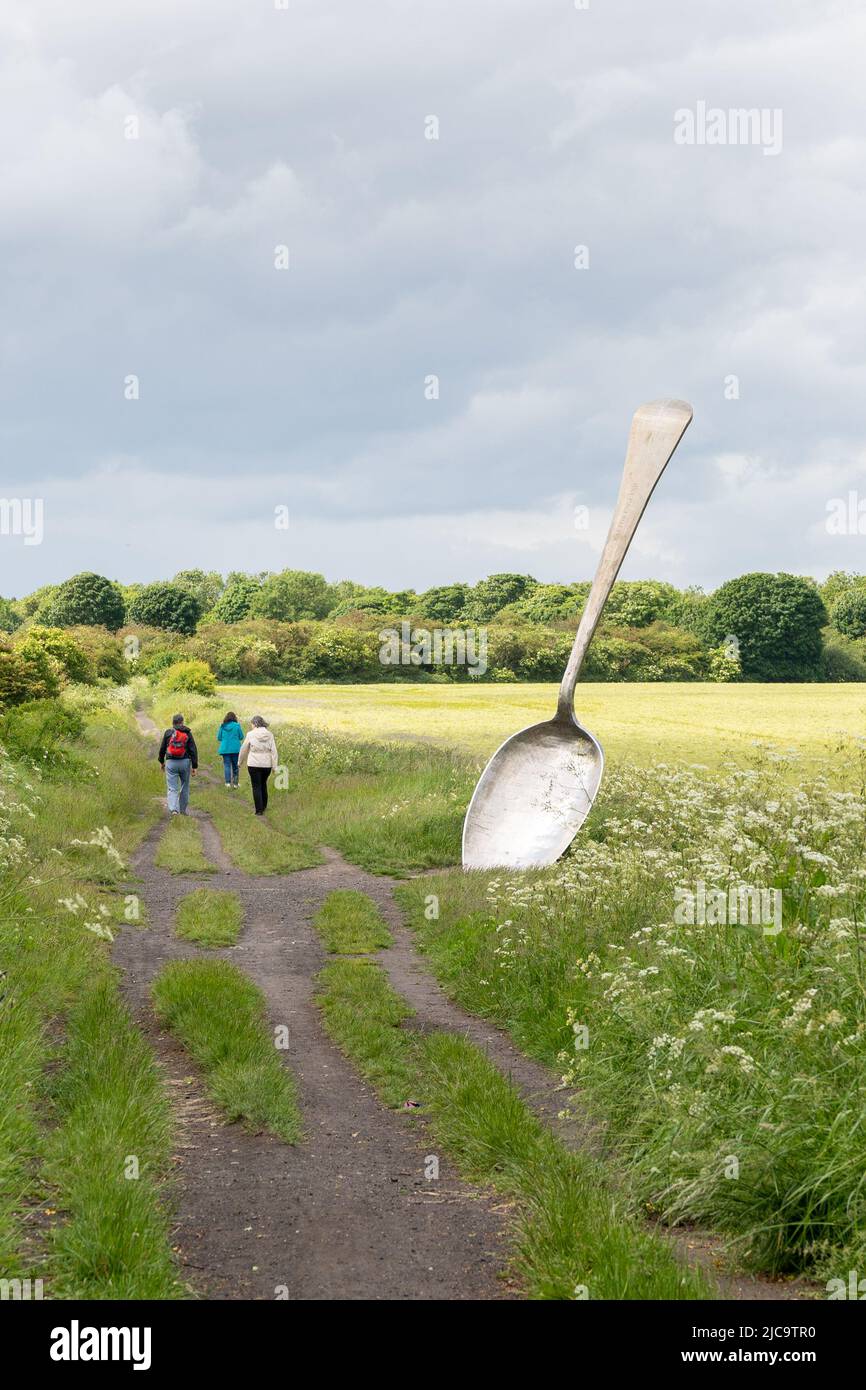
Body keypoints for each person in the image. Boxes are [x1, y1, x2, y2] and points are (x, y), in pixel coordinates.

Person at [157, 713, 198, 816]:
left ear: (173, 723)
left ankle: (174, 810)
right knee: (185, 787)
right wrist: (194, 766)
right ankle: (183, 810)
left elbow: (162, 749)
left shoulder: (168, 733)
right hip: (185, 762)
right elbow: (193, 749)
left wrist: (162, 762)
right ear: (182, 722)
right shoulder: (188, 733)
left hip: (171, 763)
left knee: (172, 788)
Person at [238, 715, 278, 816]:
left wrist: (240, 762)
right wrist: (274, 766)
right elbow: (274, 751)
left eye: (252, 724)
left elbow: (244, 749)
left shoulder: (250, 734)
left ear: (255, 724)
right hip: (266, 764)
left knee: (256, 786)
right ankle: (264, 806)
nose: (251, 726)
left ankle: (259, 810)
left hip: (254, 764)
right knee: (263, 784)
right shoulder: (270, 735)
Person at [216, 710, 244, 788]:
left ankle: (227, 783)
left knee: (227, 765)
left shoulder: (222, 726)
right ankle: (235, 784)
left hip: (225, 749)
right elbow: (241, 737)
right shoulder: (237, 726)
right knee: (235, 765)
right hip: (235, 749)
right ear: (234, 718)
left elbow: (219, 737)